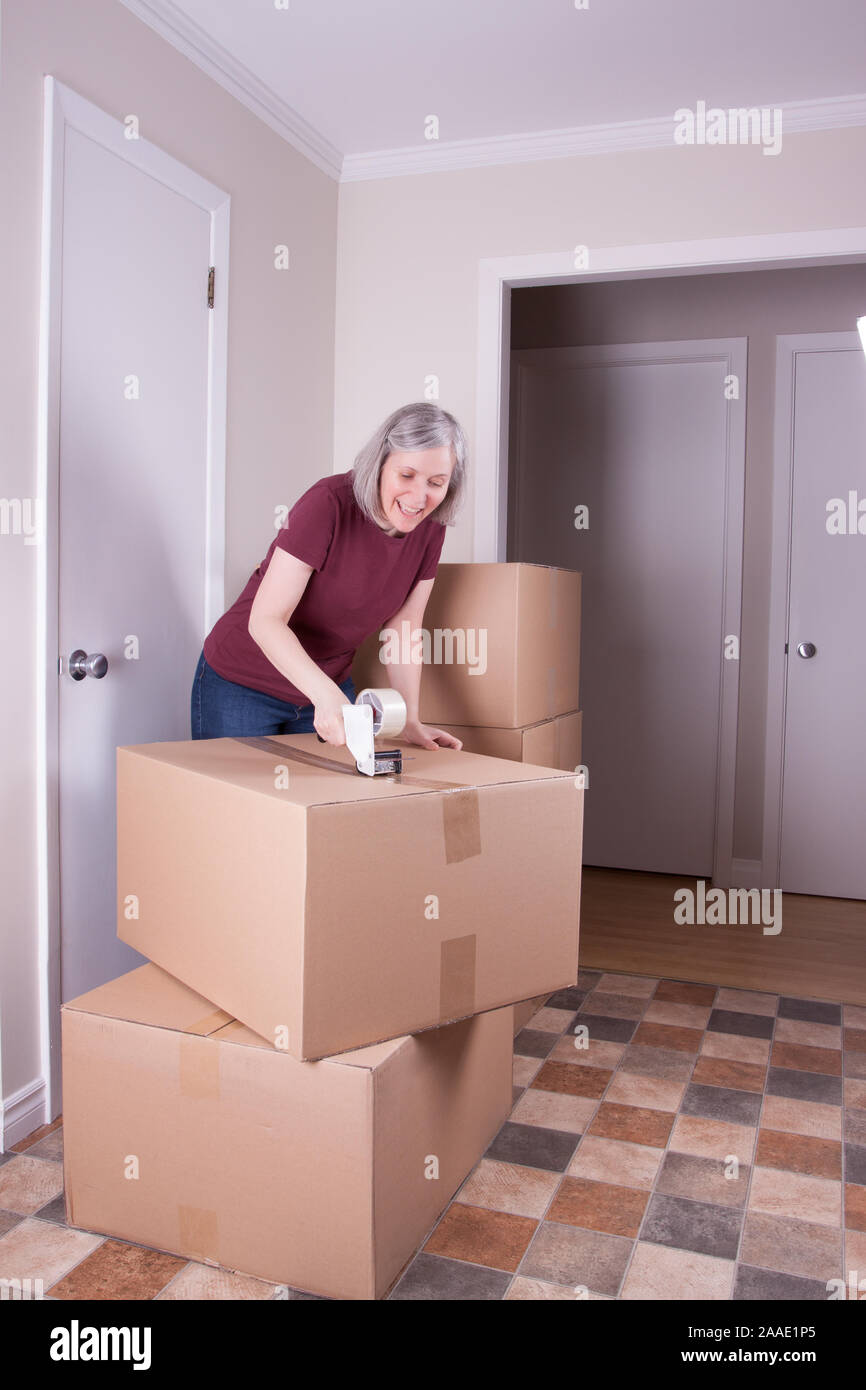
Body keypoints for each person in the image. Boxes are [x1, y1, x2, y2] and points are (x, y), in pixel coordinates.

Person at [190, 400, 467, 751]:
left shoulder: (431, 529)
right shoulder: (328, 503)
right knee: (240, 805)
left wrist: (408, 719)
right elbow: (266, 620)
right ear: (381, 462)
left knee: (330, 800)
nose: (418, 497)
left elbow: (404, 628)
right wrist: (325, 695)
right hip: (243, 684)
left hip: (328, 686)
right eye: (407, 475)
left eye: (436, 482)